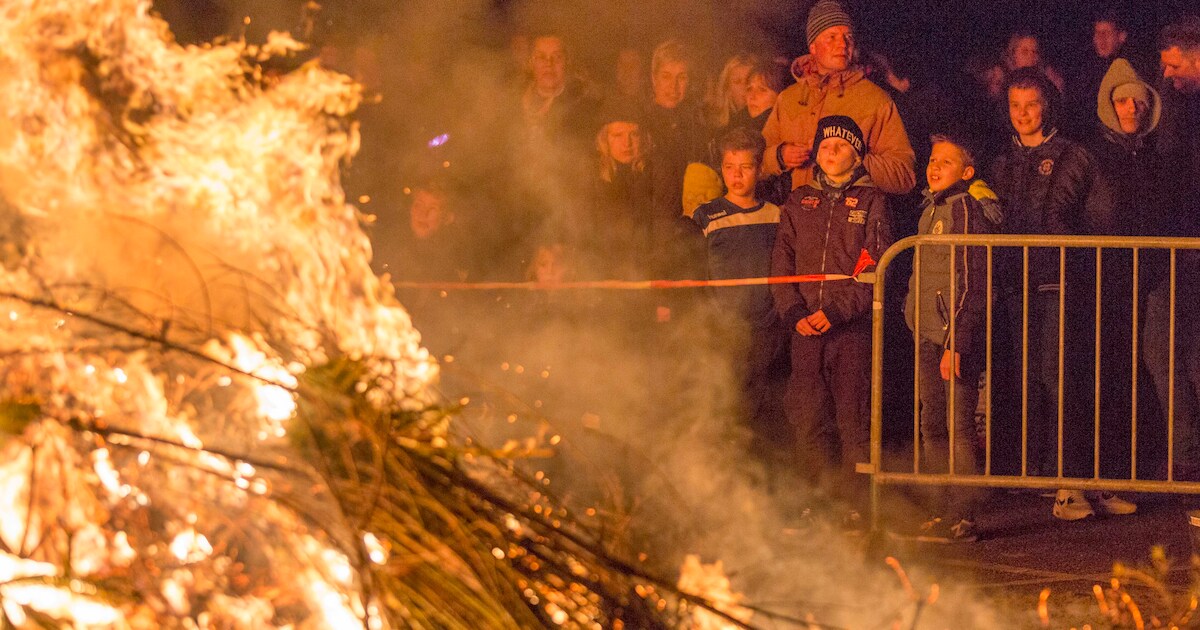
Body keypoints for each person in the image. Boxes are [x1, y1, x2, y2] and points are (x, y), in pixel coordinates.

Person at [988, 67, 1135, 520]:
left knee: (1063, 377)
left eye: (1031, 104)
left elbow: (1103, 223)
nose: (1023, 113)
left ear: (1047, 104)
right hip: (1015, 284)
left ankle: (1077, 483)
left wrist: (1085, 270)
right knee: (1025, 380)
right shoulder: (999, 163)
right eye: (1015, 105)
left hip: (1063, 282)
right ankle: (1043, 476)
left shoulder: (1076, 156)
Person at [770, 115, 893, 523]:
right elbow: (781, 263)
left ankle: (855, 507)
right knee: (807, 417)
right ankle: (813, 501)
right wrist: (793, 313)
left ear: (857, 154)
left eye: (841, 146)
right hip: (804, 328)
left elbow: (874, 267)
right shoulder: (798, 200)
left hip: (849, 330)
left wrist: (836, 312)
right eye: (825, 146)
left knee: (852, 419)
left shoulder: (872, 201)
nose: (831, 152)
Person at [902, 134, 993, 543]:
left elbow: (972, 276)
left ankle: (964, 516)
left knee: (958, 427)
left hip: (953, 335)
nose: (935, 167)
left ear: (967, 173)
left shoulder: (963, 209)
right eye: (932, 159)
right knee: (932, 424)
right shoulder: (930, 209)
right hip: (927, 332)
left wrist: (957, 338)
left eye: (947, 162)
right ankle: (941, 511)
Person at [691, 128, 788, 473]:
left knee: (760, 403)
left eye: (745, 167)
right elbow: (695, 268)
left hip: (765, 324)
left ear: (759, 170)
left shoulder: (776, 215)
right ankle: (721, 473)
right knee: (723, 398)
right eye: (730, 167)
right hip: (724, 323)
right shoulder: (706, 216)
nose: (737, 175)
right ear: (721, 168)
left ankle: (758, 475)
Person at [761, 0, 916, 196]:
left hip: (851, 220)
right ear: (813, 47)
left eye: (848, 37)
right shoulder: (788, 99)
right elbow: (754, 164)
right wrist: (780, 156)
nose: (842, 44)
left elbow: (904, 177)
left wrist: (855, 158)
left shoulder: (876, 100)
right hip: (799, 219)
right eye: (831, 37)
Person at [1144, 16, 1200, 481]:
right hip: (1178, 247)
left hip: (1188, 244)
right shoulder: (1181, 107)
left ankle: (1186, 453)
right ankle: (1184, 454)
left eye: (1174, 64)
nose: (1167, 74)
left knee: (1176, 348)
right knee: (1167, 348)